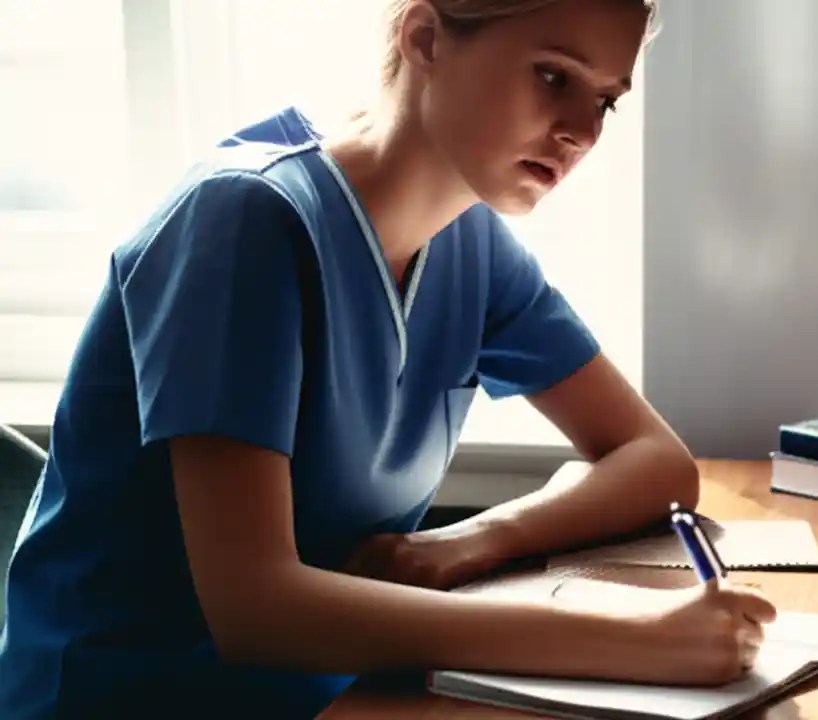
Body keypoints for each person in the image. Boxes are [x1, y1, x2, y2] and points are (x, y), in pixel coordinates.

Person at [0, 0, 777, 717]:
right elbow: (256, 610)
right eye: (554, 76)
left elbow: (656, 461)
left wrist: (467, 541)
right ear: (426, 38)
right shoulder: (242, 223)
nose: (583, 131)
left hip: (332, 693)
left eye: (606, 98)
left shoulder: (472, 246)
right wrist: (636, 645)